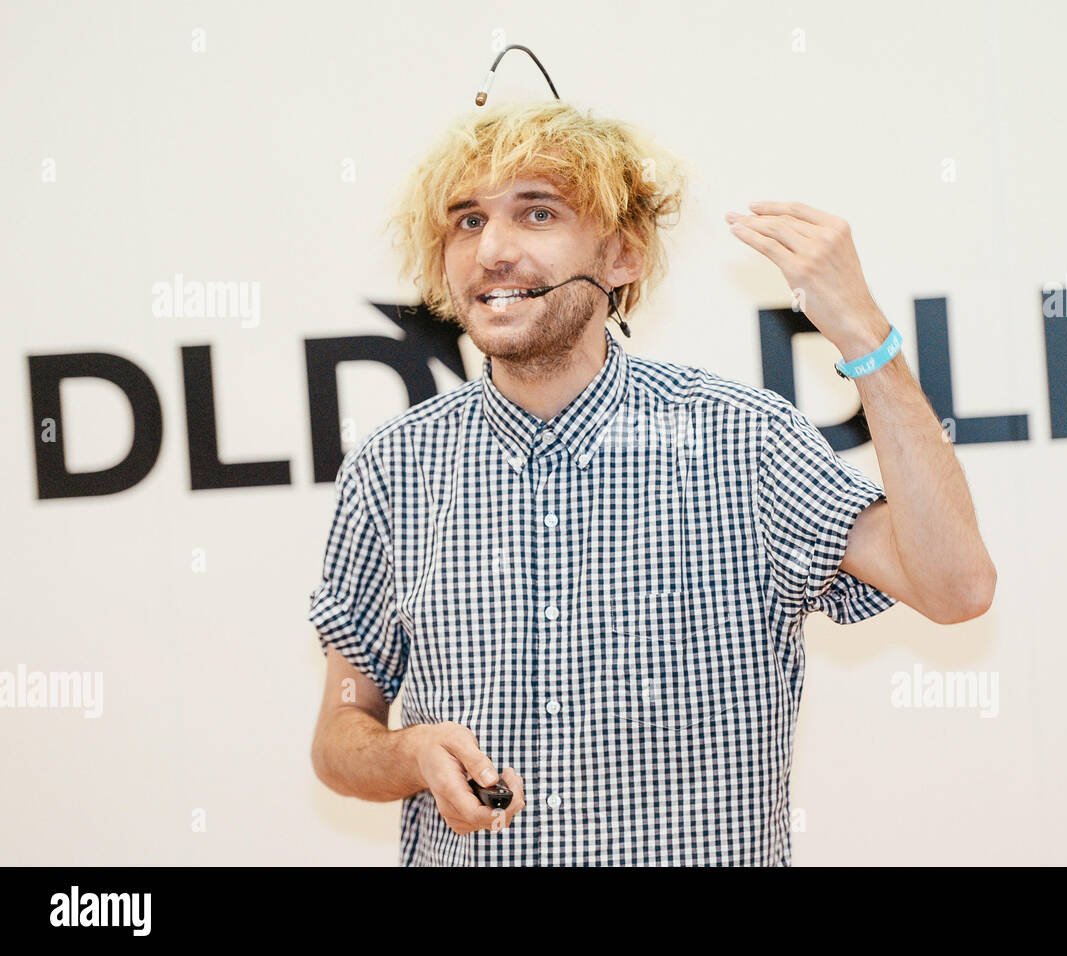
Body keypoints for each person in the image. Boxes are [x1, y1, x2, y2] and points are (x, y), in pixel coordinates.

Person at [308, 100, 996, 866]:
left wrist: (863, 330)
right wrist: (409, 755)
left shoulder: (746, 439)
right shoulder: (392, 468)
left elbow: (955, 586)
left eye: (537, 213)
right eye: (467, 221)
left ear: (623, 257)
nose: (492, 250)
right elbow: (341, 735)